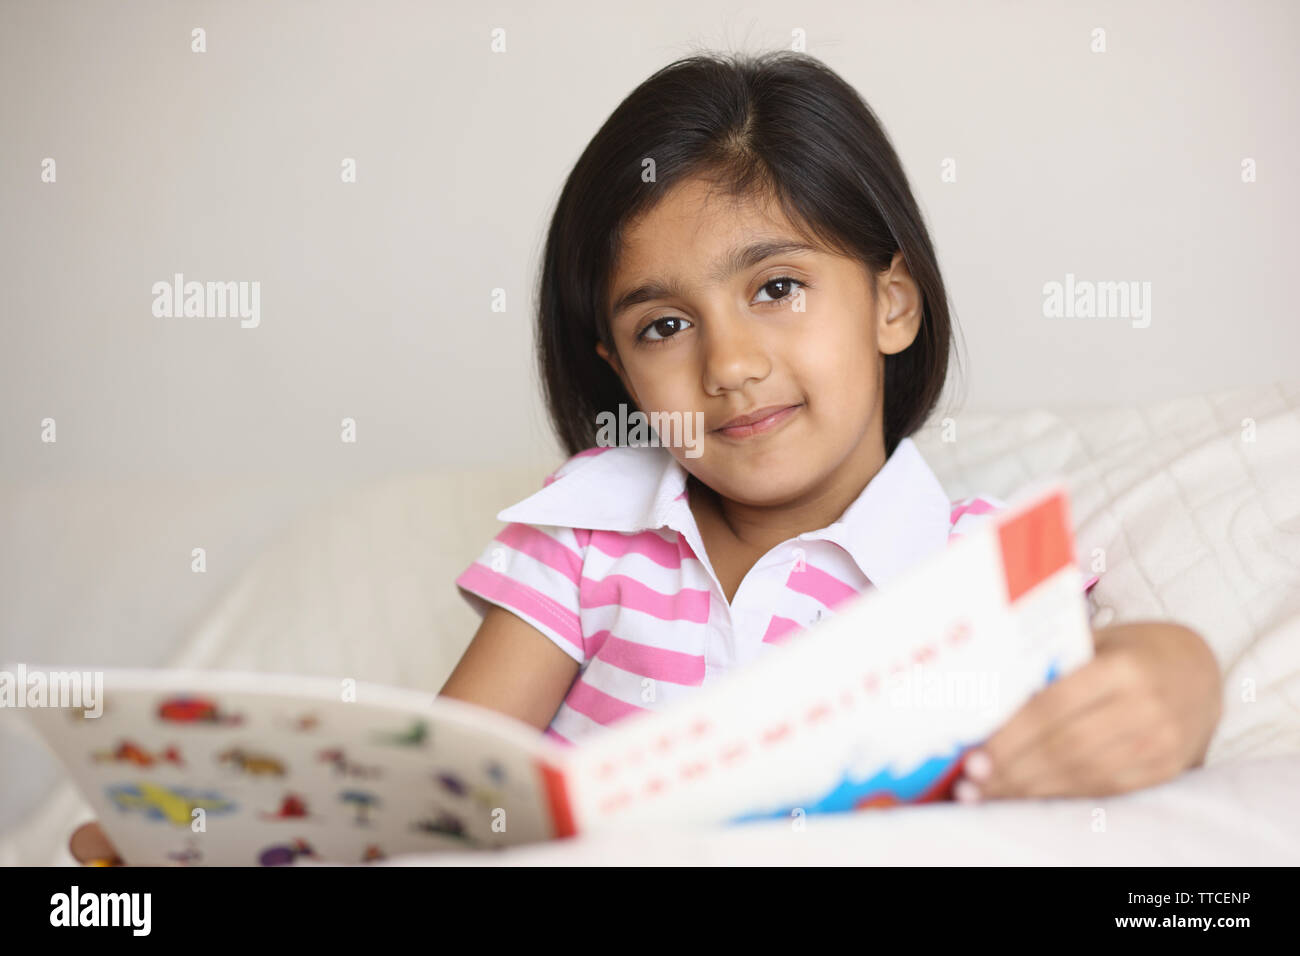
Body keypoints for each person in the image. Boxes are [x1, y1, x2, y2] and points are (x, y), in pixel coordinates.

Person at [71, 50, 1221, 864]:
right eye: (663, 325)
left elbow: (1113, 671)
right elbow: (440, 784)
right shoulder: (588, 533)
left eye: (776, 288)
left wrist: (1179, 675)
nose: (728, 364)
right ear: (617, 369)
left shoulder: (962, 566)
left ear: (892, 303)